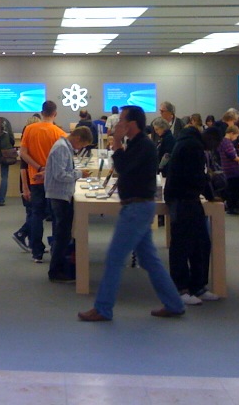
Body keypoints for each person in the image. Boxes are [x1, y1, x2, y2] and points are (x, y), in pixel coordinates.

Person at [78, 106, 185, 321]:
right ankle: (174, 303)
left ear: (132, 123)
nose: (118, 125)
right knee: (150, 260)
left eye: (121, 121)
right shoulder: (138, 144)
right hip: (138, 207)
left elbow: (123, 168)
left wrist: (116, 142)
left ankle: (103, 308)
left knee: (115, 258)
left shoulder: (143, 146)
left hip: (137, 208)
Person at [163, 122, 217, 305]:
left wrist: (209, 193)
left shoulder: (190, 142)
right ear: (210, 139)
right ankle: (181, 289)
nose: (214, 148)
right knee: (182, 244)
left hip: (187, 198)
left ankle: (197, 286)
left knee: (200, 242)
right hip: (182, 199)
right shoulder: (193, 147)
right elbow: (194, 176)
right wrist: (209, 180)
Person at [44, 126, 93, 283]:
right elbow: (60, 175)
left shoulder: (64, 147)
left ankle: (58, 268)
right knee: (62, 234)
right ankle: (56, 270)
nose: (80, 148)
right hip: (59, 195)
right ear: (78, 138)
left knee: (63, 233)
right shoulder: (62, 148)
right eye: (82, 145)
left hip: (62, 194)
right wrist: (79, 174)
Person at [20, 101, 67, 263]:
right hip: (54, 180)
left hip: (35, 178)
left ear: (41, 112)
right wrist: (47, 169)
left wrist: (37, 167)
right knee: (55, 215)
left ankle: (36, 252)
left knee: (36, 214)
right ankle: (55, 248)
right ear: (55, 113)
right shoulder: (60, 133)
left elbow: (23, 153)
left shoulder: (29, 129)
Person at [13, 114, 41, 252]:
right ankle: (22, 234)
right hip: (29, 182)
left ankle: (32, 242)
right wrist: (25, 188)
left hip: (29, 181)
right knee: (34, 212)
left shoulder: (28, 144)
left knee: (32, 212)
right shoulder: (27, 148)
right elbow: (23, 168)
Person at [218, 124, 239, 215]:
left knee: (231, 189)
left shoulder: (223, 142)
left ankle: (231, 205)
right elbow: (233, 156)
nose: (236, 138)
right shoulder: (228, 143)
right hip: (232, 169)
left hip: (227, 169)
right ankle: (232, 206)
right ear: (231, 133)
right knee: (235, 189)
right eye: (236, 136)